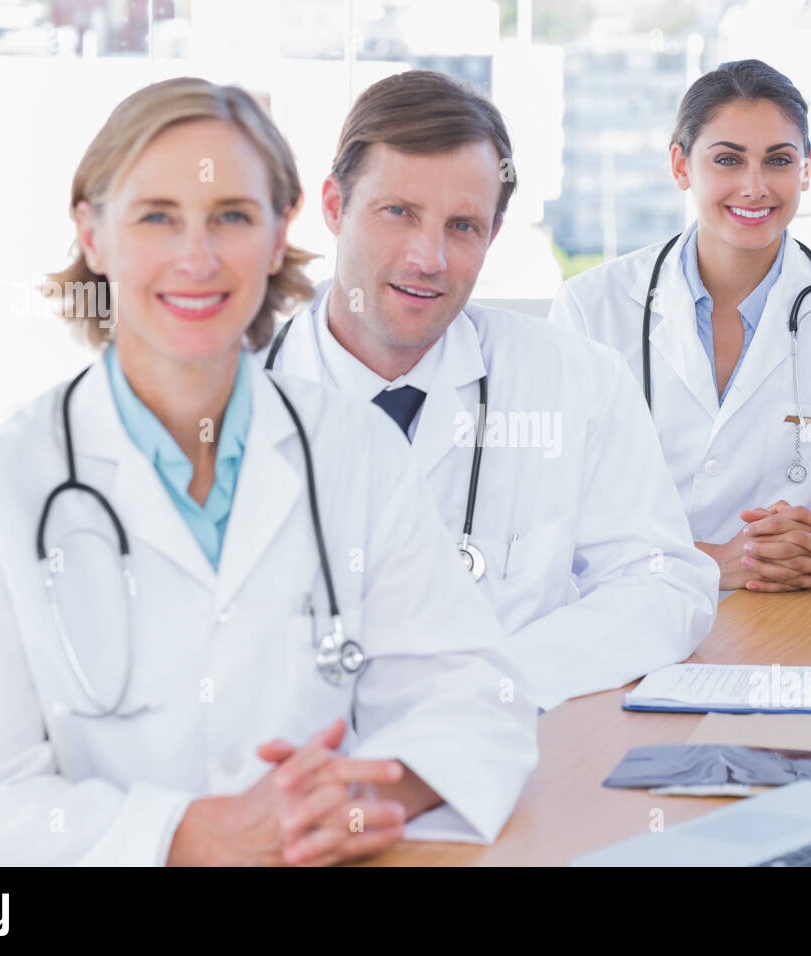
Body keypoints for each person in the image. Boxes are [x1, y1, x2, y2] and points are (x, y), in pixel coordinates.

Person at [0, 77, 536, 866]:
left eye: (232, 216)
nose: (197, 258)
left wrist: (369, 796)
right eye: (157, 217)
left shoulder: (354, 451)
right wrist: (189, 833)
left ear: (278, 235)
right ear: (93, 234)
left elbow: (476, 697)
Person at [264, 71, 719, 711]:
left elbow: (665, 584)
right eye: (399, 212)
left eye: (462, 226)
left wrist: (492, 685)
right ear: (335, 206)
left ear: (492, 236)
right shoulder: (227, 395)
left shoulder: (576, 380)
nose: (429, 258)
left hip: (506, 752)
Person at [550, 59, 811, 593]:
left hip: (791, 611)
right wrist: (718, 563)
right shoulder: (590, 308)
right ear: (681, 166)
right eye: (728, 159)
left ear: (806, 169)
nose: (754, 186)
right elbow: (560, 509)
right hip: (630, 605)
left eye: (778, 160)